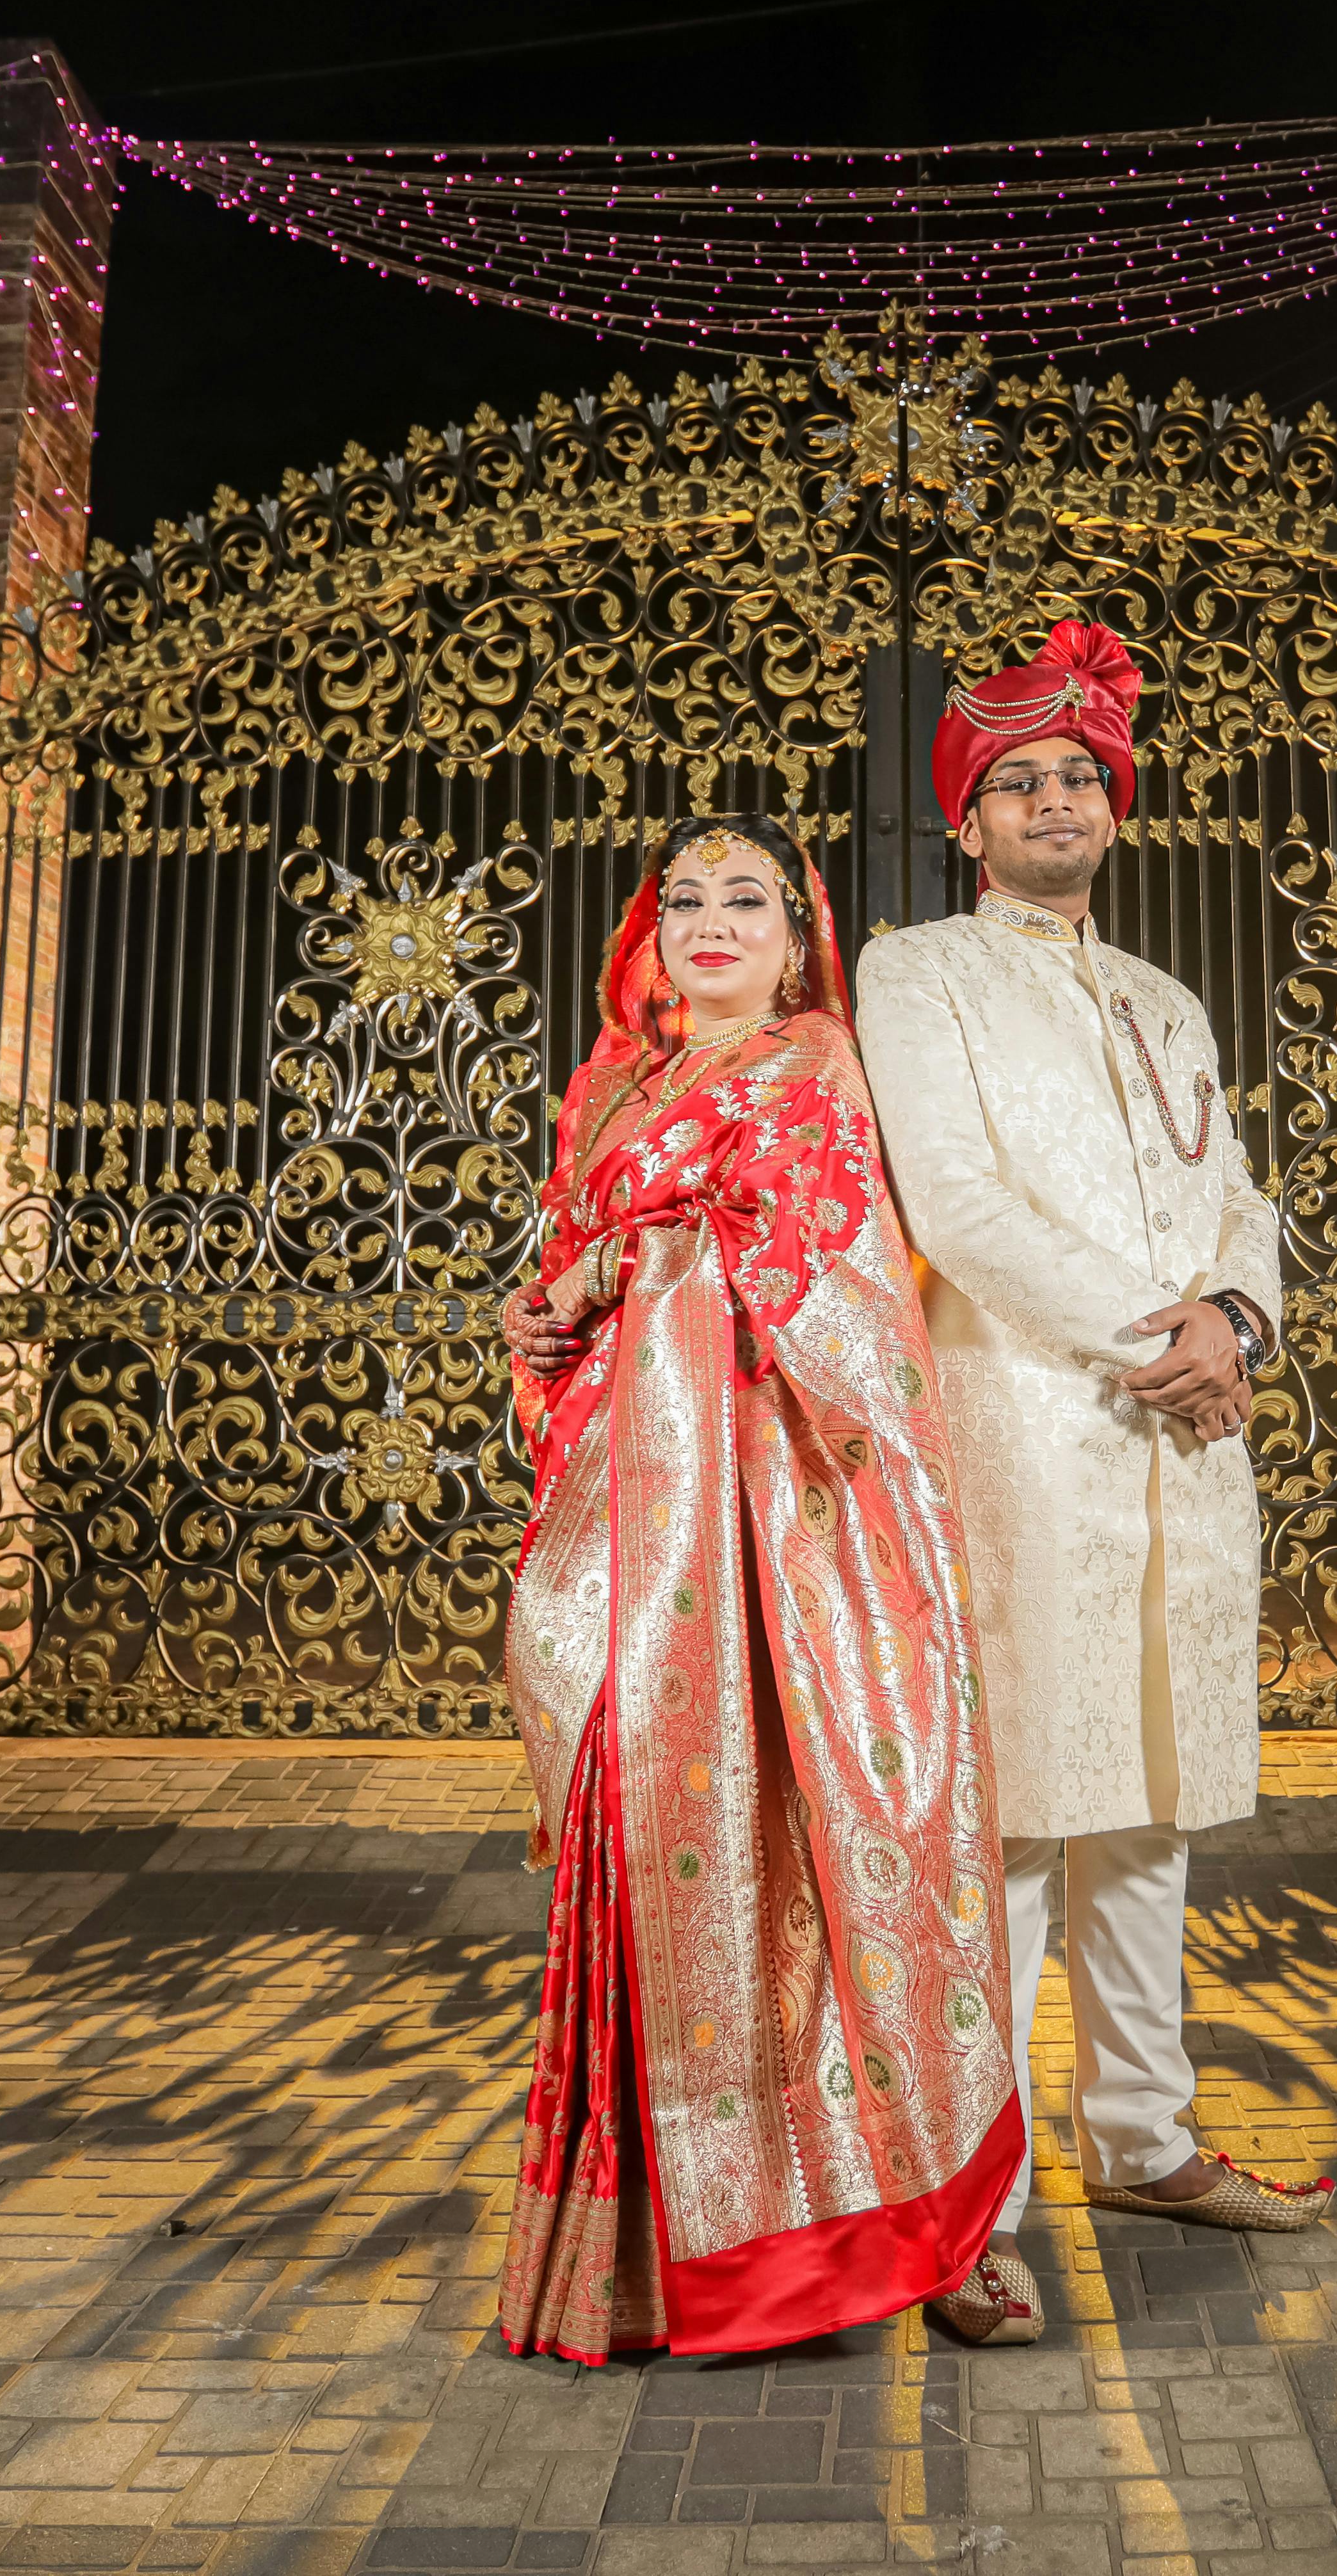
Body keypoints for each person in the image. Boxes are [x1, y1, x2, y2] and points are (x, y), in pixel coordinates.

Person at [851, 619, 1337, 2353]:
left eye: (1081, 777)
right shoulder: (918, 975)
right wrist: (1164, 1339)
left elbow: (1243, 1202)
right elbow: (957, 1209)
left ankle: (1142, 2141)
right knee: (1008, 1832)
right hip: (1024, 1436)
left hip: (1181, 1446)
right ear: (969, 824)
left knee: (1147, 1817)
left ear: (1117, 811)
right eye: (1020, 782)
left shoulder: (1165, 999)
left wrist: (1237, 1317)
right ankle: (960, 2210)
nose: (1056, 798)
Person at [490, 817, 1027, 2365]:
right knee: (635, 1836)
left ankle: (874, 2230)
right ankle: (662, 2242)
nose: (716, 921)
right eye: (687, 901)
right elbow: (568, 1271)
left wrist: (631, 1273)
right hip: (626, 1518)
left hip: (774, 1531)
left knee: (804, 1845)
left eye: (753, 901)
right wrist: (543, 1317)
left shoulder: (816, 1074)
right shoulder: (613, 1088)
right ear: (649, 940)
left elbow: (832, 1283)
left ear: (802, 942)